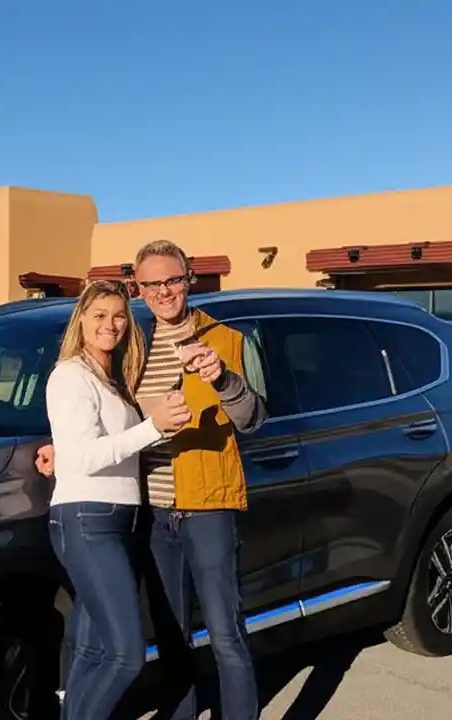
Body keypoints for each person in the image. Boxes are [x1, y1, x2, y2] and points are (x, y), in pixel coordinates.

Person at [37, 240, 268, 720]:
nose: (164, 291)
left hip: (207, 507)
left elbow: (253, 418)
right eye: (151, 284)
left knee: (226, 635)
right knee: (171, 638)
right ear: (139, 288)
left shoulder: (228, 339)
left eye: (172, 280)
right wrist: (63, 447)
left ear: (189, 280)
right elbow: (104, 416)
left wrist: (223, 378)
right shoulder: (133, 349)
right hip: (152, 513)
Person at [44, 279, 192, 720]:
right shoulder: (69, 375)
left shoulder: (108, 378)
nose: (111, 325)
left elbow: (85, 440)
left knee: (92, 651)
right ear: (81, 321)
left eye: (119, 316)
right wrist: (154, 427)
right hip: (88, 519)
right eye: (100, 316)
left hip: (119, 523)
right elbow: (84, 456)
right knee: (126, 655)